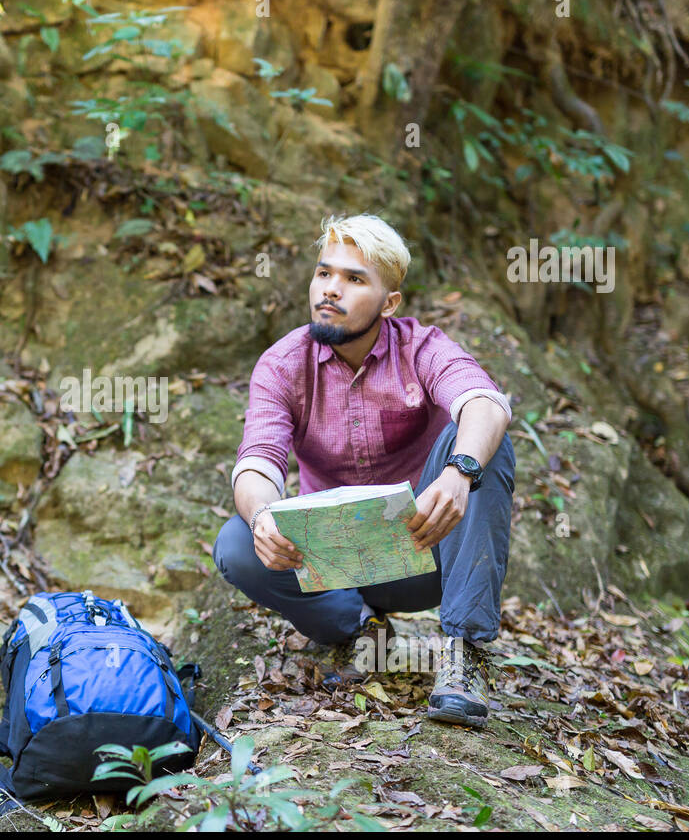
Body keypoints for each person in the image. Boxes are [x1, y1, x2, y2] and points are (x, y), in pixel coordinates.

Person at [212, 213, 516, 729]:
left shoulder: (420, 347)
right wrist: (263, 514)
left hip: (427, 548)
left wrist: (459, 472)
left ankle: (463, 653)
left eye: (354, 280)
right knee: (237, 544)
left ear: (389, 302)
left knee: (484, 445)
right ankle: (361, 630)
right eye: (324, 273)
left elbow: (485, 401)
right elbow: (258, 459)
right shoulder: (283, 365)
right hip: (333, 566)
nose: (331, 290)